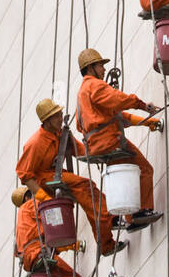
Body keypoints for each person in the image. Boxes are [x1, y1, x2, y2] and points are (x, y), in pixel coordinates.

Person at [16, 98, 125, 257]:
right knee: (84, 186)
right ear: (47, 121)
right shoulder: (35, 143)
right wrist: (44, 198)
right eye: (57, 116)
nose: (60, 118)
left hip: (56, 175)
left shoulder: (61, 134)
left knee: (89, 194)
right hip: (44, 180)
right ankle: (110, 219)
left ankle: (107, 240)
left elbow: (80, 151)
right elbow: (24, 174)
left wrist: (105, 151)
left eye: (60, 115)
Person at [75, 48, 163, 228]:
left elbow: (112, 117)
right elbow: (118, 99)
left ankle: (131, 218)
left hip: (96, 145)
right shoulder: (95, 86)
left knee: (126, 175)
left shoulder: (81, 94)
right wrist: (141, 105)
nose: (104, 69)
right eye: (100, 66)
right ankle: (141, 212)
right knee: (144, 169)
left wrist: (147, 122)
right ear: (90, 68)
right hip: (110, 141)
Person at [11, 187, 85, 277]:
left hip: (32, 257)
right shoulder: (31, 205)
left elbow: (20, 250)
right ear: (27, 197)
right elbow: (50, 210)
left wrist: (72, 246)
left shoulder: (21, 221)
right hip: (39, 252)